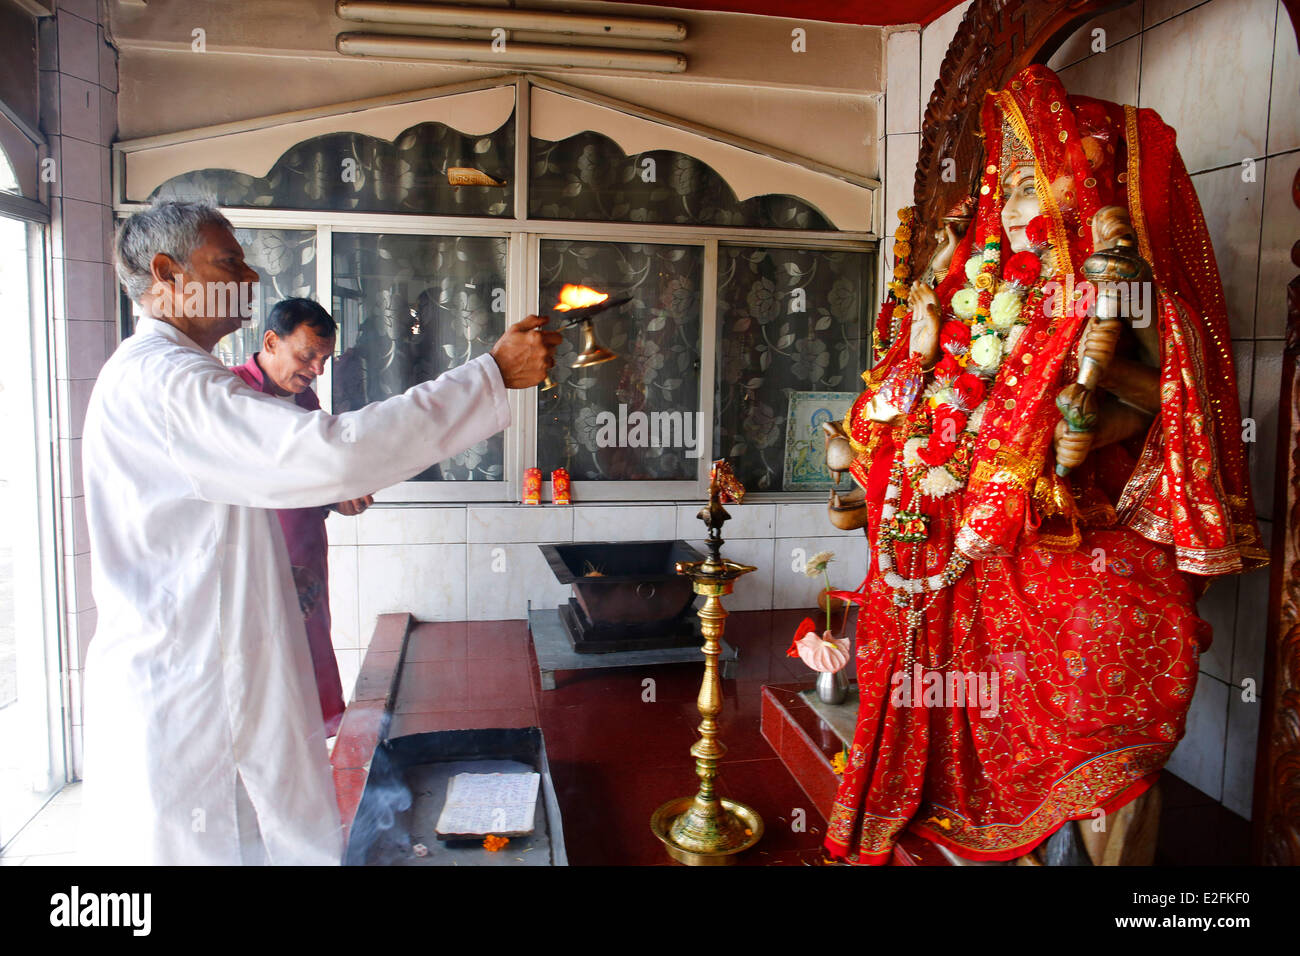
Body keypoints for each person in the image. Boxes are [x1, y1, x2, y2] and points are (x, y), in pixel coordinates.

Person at [822, 65, 1265, 865]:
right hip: (1002, 554)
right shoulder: (992, 301)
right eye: (1012, 183)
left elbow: (1169, 398)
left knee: (1110, 750)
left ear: (1095, 184)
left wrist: (1081, 424)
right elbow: (909, 411)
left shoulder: (1129, 290)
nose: (1015, 201)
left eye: (1035, 181)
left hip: (1089, 544)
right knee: (1003, 731)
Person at [81, 200, 559, 865]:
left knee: (273, 836)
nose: (249, 276)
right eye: (229, 261)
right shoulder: (164, 383)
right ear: (168, 272)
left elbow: (302, 475)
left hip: (225, 672)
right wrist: (489, 376)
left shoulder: (186, 376)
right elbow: (331, 453)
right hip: (183, 694)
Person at [230, 297, 369, 739]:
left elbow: (310, 472)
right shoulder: (232, 396)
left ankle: (312, 753)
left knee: (308, 654)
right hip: (258, 565)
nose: (317, 370)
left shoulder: (303, 397)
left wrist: (338, 495)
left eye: (324, 359)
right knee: (265, 674)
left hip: (305, 554)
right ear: (271, 341)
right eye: (307, 355)